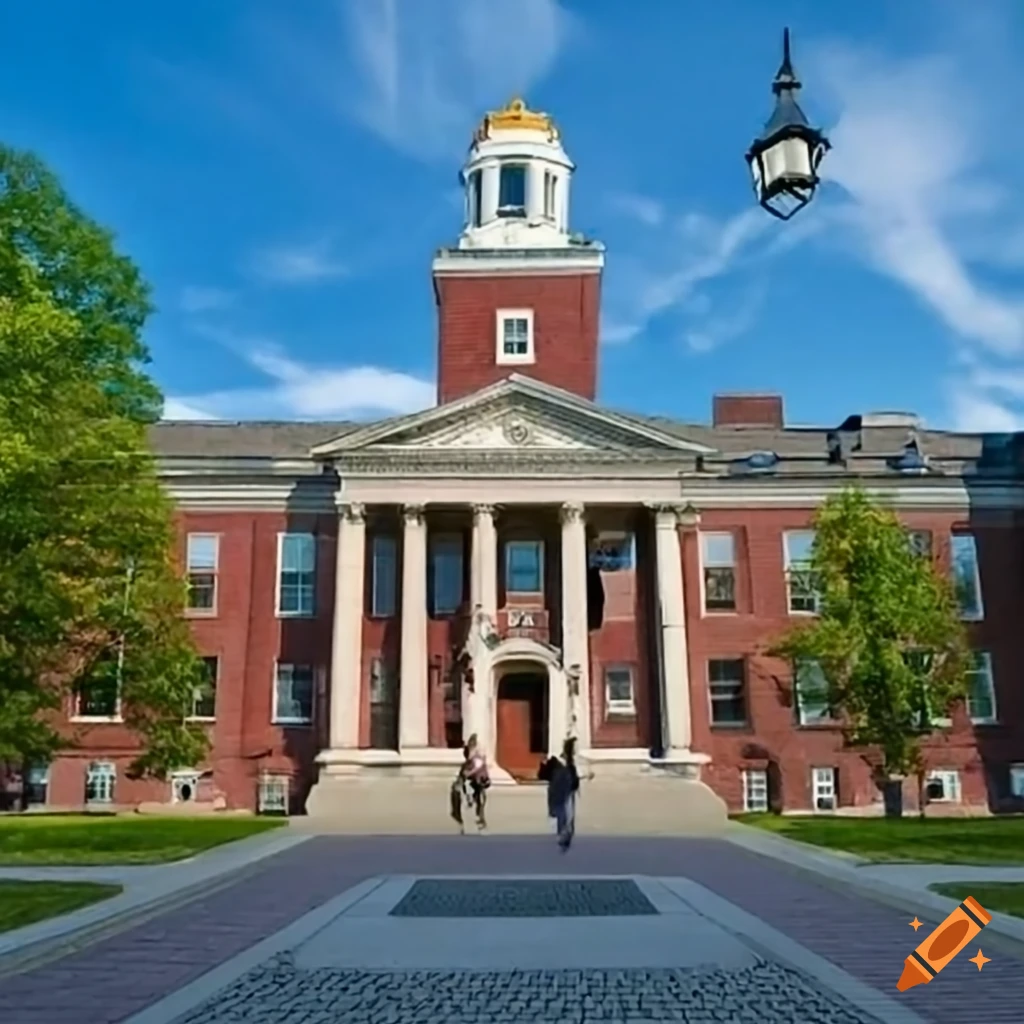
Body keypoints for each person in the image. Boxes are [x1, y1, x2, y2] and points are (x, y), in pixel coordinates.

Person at [538, 738, 580, 851]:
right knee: (563, 812)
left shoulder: (570, 763)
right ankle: (563, 833)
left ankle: (564, 834)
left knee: (566, 813)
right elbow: (543, 775)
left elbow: (573, 778)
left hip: (565, 790)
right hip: (560, 791)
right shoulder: (557, 762)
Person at [450, 734, 489, 833]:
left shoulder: (478, 760)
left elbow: (478, 769)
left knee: (478, 803)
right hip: (471, 785)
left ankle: (478, 822)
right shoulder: (470, 762)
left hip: (477, 785)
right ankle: (467, 822)